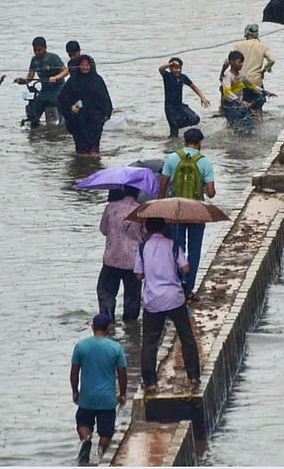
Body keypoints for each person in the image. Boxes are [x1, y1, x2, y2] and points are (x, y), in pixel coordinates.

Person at [135, 217, 201, 393]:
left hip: (153, 301)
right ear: (164, 228)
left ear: (147, 230)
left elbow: (139, 275)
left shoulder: (142, 248)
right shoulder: (172, 246)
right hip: (174, 299)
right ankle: (193, 376)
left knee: (150, 341)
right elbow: (186, 268)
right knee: (186, 338)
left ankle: (150, 382)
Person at [157, 128, 216, 298]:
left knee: (177, 246)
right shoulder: (205, 162)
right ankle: (189, 288)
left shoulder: (172, 158)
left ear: (184, 141)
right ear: (199, 144)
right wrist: (203, 185)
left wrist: (161, 206)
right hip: (197, 210)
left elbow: (163, 186)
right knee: (195, 249)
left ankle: (179, 283)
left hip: (176, 209)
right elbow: (211, 193)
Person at [70, 313, 127, 466]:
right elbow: (122, 373)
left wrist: (75, 391)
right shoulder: (116, 348)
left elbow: (74, 372)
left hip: (87, 397)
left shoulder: (81, 346)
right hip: (107, 400)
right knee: (106, 432)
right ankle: (100, 456)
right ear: (108, 328)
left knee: (83, 424)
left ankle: (86, 439)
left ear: (92, 327)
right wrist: (122, 394)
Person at [98, 187, 148, 323]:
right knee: (132, 296)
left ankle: (107, 323)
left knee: (106, 293)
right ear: (137, 194)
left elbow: (103, 229)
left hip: (111, 259)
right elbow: (145, 235)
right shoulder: (141, 211)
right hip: (133, 262)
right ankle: (131, 328)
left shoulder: (111, 207)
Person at [58, 55, 112, 156]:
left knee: (94, 149)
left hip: (95, 118)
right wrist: (71, 106)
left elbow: (105, 98)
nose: (85, 67)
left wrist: (107, 114)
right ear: (79, 66)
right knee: (81, 150)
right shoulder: (73, 80)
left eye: (87, 65)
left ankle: (94, 165)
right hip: (78, 119)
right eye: (82, 65)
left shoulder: (97, 80)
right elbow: (63, 97)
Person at [219, 24, 277, 114]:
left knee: (241, 109)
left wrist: (222, 73)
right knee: (258, 110)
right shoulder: (262, 46)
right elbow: (272, 60)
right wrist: (264, 70)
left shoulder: (238, 46)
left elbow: (227, 61)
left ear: (246, 34)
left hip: (240, 82)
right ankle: (259, 126)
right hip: (256, 81)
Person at [18, 36, 68, 128]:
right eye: (35, 50)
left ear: (45, 48)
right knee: (34, 111)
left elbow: (65, 71)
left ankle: (64, 125)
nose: (37, 53)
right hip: (44, 90)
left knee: (63, 109)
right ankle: (34, 128)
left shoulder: (53, 58)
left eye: (39, 50)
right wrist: (22, 81)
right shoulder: (34, 60)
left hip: (58, 89)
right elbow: (30, 77)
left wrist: (56, 77)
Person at [159, 58, 211, 138]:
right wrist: (170, 64)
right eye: (176, 68)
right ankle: (173, 131)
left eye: (180, 68)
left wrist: (202, 97)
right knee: (174, 136)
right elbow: (161, 69)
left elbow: (193, 86)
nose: (178, 70)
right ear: (170, 68)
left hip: (180, 105)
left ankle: (177, 126)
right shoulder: (167, 76)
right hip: (170, 108)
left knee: (195, 119)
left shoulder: (183, 77)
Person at [220, 50, 269, 134]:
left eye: (242, 62)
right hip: (229, 106)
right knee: (235, 127)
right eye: (239, 62)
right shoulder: (228, 77)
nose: (242, 64)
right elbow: (227, 92)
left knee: (249, 126)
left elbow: (251, 86)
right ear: (232, 62)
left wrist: (264, 92)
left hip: (239, 104)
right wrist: (240, 101)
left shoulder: (241, 75)